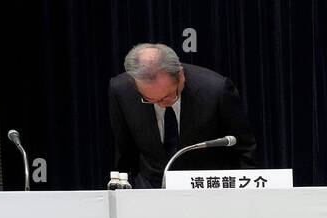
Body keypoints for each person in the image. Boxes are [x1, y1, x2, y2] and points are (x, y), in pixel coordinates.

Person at [109, 43, 257, 188]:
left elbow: (244, 150)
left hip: (204, 189)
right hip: (150, 188)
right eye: (150, 99)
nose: (161, 104)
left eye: (167, 96)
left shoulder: (216, 90)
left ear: (181, 75)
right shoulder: (121, 91)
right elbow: (124, 151)